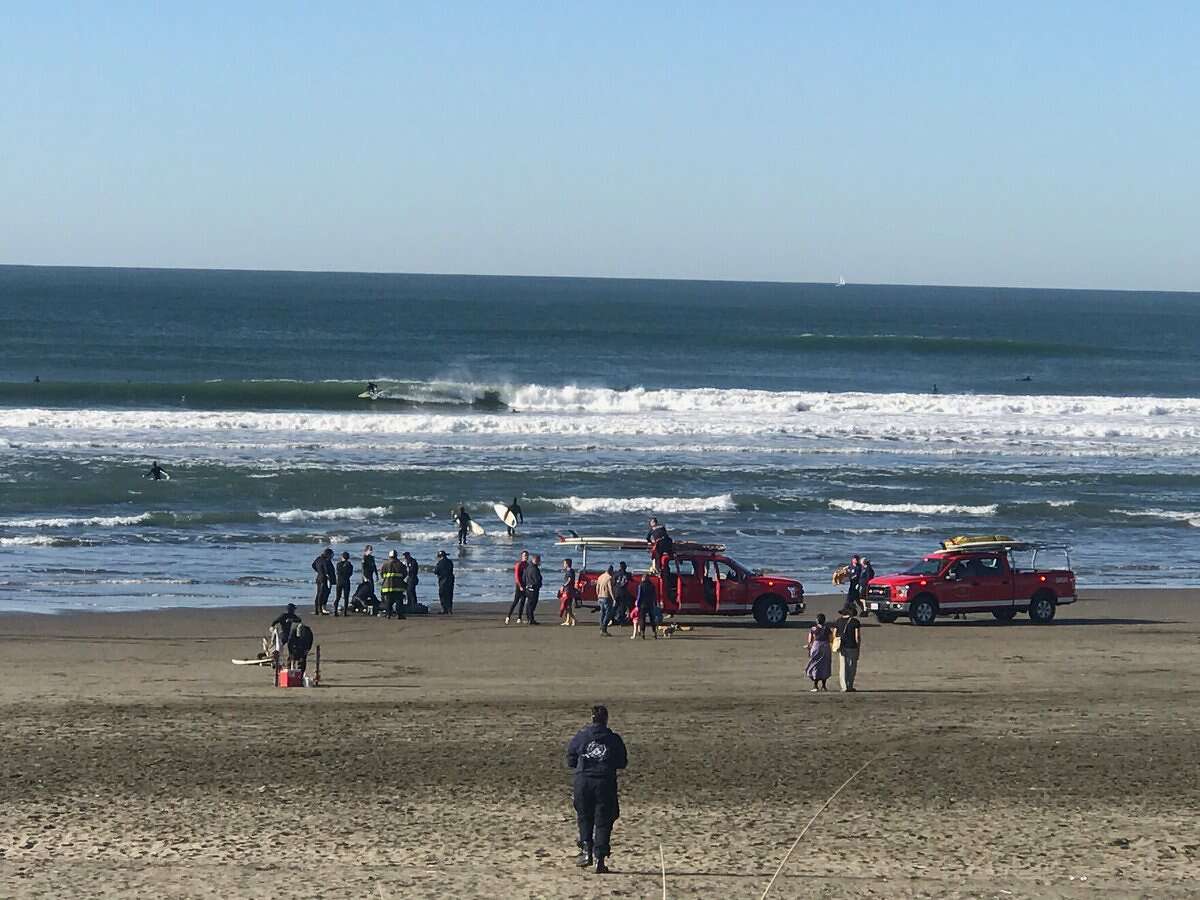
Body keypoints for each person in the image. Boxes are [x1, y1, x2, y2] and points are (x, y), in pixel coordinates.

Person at [566, 705, 627, 875]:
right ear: (606, 719)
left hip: (583, 782)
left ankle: (586, 851)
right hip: (604, 783)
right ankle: (599, 857)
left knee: (585, 816)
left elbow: (570, 759)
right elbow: (622, 762)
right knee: (603, 820)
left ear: (592, 718)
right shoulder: (613, 739)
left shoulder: (581, 736)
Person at [834, 607, 862, 692]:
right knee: (851, 667)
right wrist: (858, 646)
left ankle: (844, 686)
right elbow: (857, 636)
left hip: (842, 646)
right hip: (852, 646)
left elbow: (835, 633)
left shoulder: (838, 621)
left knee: (843, 667)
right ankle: (850, 686)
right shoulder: (855, 622)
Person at [805, 613, 832, 691]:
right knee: (825, 665)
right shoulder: (827, 629)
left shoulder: (813, 629)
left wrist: (809, 648)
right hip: (826, 647)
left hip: (816, 646)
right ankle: (824, 686)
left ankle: (815, 685)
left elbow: (810, 640)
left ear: (817, 620)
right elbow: (830, 639)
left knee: (815, 664)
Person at [380, 550, 407, 620]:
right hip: (398, 586)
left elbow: (382, 574)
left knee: (388, 601)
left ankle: (388, 614)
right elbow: (405, 573)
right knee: (398, 601)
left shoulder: (385, 564)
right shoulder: (400, 564)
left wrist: (386, 579)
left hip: (387, 586)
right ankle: (399, 615)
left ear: (389, 556)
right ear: (396, 556)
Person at [506, 550, 529, 624]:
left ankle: (519, 618)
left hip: (525, 585)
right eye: (524, 555)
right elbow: (516, 576)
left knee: (523, 602)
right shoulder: (519, 564)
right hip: (519, 585)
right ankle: (508, 616)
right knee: (516, 601)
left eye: (527, 555)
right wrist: (520, 586)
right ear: (522, 556)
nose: (526, 557)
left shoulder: (528, 565)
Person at [311, 548, 336, 615]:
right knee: (324, 594)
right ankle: (321, 609)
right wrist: (327, 576)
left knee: (319, 594)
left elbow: (313, 565)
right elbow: (327, 570)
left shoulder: (318, 558)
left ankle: (317, 609)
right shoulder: (326, 561)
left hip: (319, 578)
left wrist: (319, 572)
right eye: (331, 554)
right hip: (325, 579)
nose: (332, 556)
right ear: (328, 554)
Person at [634, 574, 658, 640]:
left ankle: (643, 633)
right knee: (652, 619)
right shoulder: (652, 586)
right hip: (650, 604)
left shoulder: (641, 586)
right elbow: (654, 595)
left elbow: (639, 596)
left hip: (642, 604)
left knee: (642, 619)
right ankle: (654, 632)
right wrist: (655, 603)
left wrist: (637, 604)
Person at [595, 565, 616, 636]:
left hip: (600, 597)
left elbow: (597, 587)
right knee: (608, 613)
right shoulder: (609, 578)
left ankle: (601, 627)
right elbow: (610, 588)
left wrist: (598, 595)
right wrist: (613, 598)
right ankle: (604, 628)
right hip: (606, 597)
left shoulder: (600, 577)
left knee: (602, 613)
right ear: (610, 570)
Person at [523, 553, 543, 625]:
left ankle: (529, 618)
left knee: (529, 604)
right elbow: (537, 580)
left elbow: (524, 577)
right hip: (533, 589)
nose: (539, 562)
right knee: (532, 605)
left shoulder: (528, 567)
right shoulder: (534, 569)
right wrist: (538, 584)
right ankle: (530, 619)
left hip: (528, 588)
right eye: (538, 560)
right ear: (535, 560)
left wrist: (525, 585)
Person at [559, 558, 578, 627]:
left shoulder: (570, 571)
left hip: (568, 591)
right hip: (569, 590)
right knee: (568, 606)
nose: (563, 565)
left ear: (567, 564)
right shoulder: (570, 571)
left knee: (567, 606)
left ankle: (573, 619)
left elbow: (569, 580)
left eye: (564, 563)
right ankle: (568, 620)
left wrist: (563, 586)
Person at [334, 552, 353, 617]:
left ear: (342, 557)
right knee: (346, 597)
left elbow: (338, 572)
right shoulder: (350, 565)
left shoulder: (338, 564)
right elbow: (350, 574)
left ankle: (335, 611)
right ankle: (345, 612)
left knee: (338, 597)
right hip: (346, 581)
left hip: (339, 581)